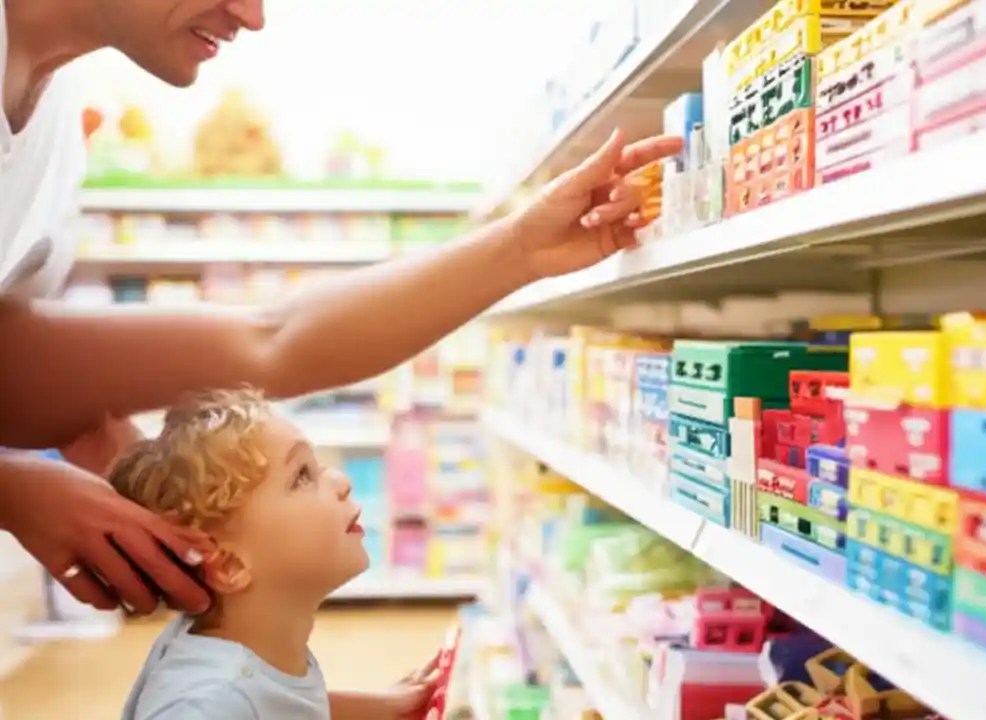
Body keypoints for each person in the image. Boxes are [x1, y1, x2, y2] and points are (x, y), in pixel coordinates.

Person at [0, 0, 681, 617]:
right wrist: (14, 491)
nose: (252, 15)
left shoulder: (57, 127)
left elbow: (265, 343)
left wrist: (523, 250)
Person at [110, 388, 448, 719]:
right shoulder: (205, 704)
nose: (342, 481)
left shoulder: (246, 648)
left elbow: (278, 704)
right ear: (229, 564)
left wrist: (379, 708)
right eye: (301, 476)